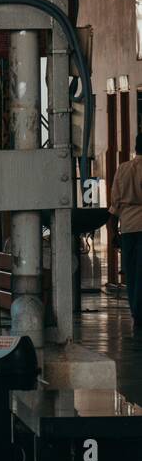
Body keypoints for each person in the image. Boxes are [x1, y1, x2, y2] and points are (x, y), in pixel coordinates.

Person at [109, 132, 142, 332]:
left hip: (129, 227)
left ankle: (137, 315)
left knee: (132, 273)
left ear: (136, 147)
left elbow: (115, 204)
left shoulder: (123, 169)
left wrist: (113, 232)